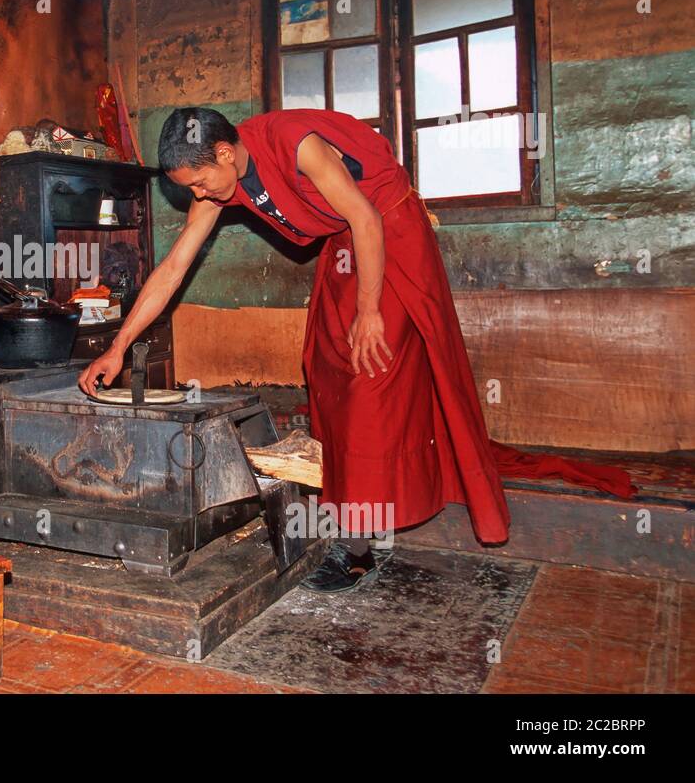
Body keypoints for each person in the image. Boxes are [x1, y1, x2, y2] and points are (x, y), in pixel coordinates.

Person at [78, 107, 511, 592]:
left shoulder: (294, 143)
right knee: (325, 368)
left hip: (388, 232)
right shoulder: (219, 182)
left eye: (199, 182)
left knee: (369, 374)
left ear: (224, 153)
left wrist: (370, 312)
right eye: (190, 188)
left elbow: (366, 217)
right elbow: (174, 267)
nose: (197, 195)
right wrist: (117, 347)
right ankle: (359, 511)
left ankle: (358, 547)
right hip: (348, 244)